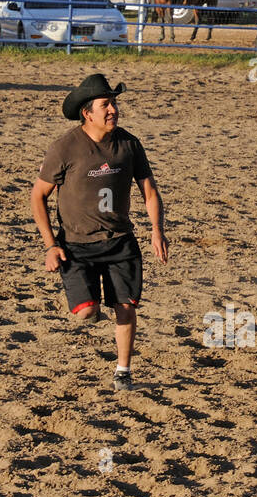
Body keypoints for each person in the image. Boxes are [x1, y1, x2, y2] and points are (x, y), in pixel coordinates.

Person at [31, 73, 169, 391]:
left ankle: (123, 372)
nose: (113, 110)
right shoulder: (64, 148)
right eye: (105, 104)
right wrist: (50, 246)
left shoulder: (130, 145)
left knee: (126, 306)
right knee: (86, 312)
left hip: (121, 242)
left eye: (114, 103)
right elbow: (37, 195)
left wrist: (157, 230)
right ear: (87, 112)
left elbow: (149, 192)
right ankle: (91, 304)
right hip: (76, 246)